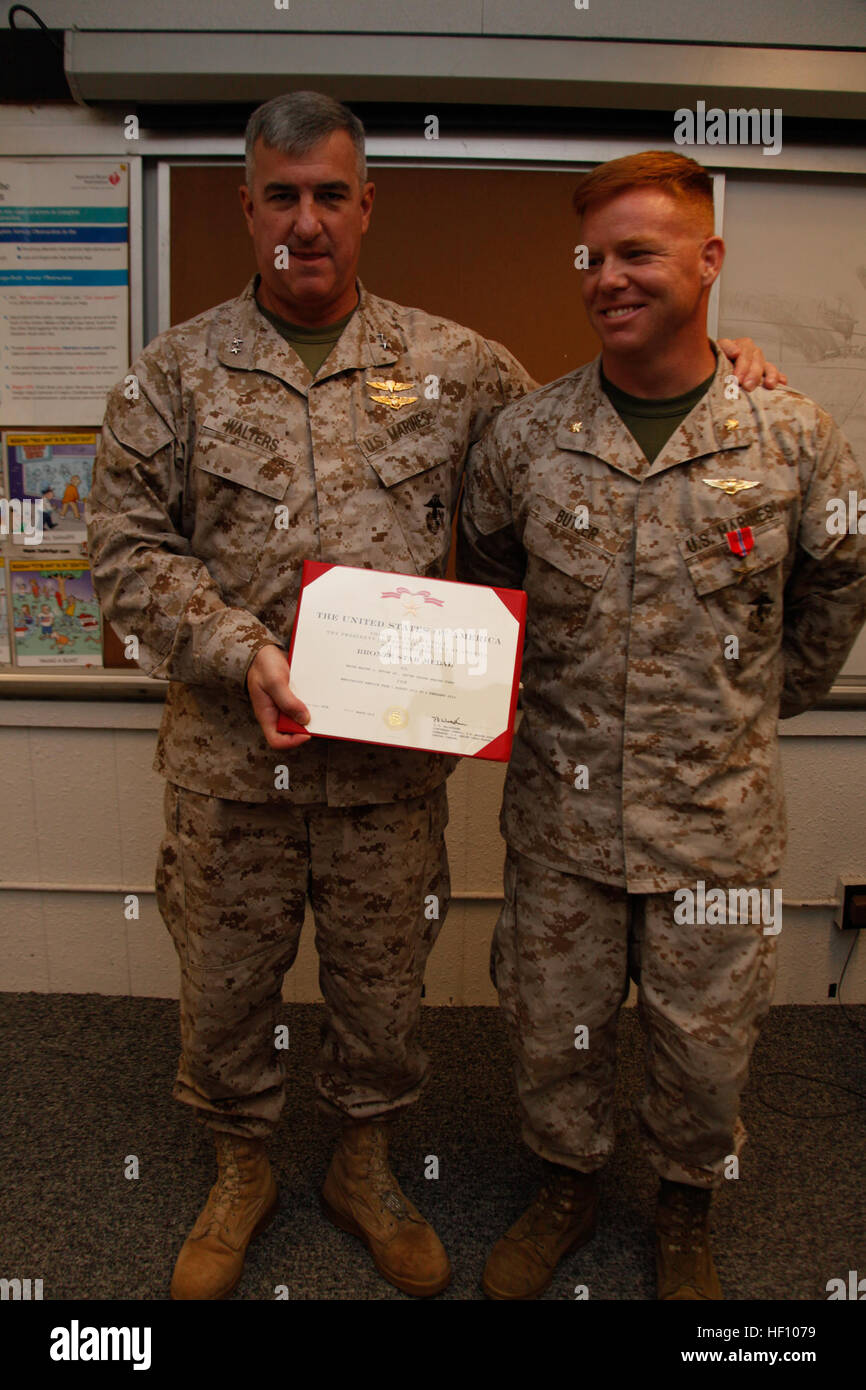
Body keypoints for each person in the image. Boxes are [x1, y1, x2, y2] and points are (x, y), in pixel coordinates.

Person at [87, 93, 778, 1303]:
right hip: (230, 771)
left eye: (330, 195)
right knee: (227, 985)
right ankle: (239, 1167)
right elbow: (127, 552)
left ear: (366, 204)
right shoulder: (171, 375)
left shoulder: (459, 370)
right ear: (245, 207)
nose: (307, 220)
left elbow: (580, 438)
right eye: (281, 196)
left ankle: (363, 1165)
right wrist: (236, 646)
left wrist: (736, 373)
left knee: (381, 993)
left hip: (386, 782)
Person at [457, 150, 866, 1302]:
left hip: (714, 827)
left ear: (707, 260)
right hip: (562, 823)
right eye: (593, 256)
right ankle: (566, 1187)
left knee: (705, 1046)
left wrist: (759, 708)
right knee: (552, 1032)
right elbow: (494, 576)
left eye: (639, 252)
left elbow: (837, 582)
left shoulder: (792, 440)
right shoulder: (526, 437)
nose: (608, 278)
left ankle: (683, 1210)